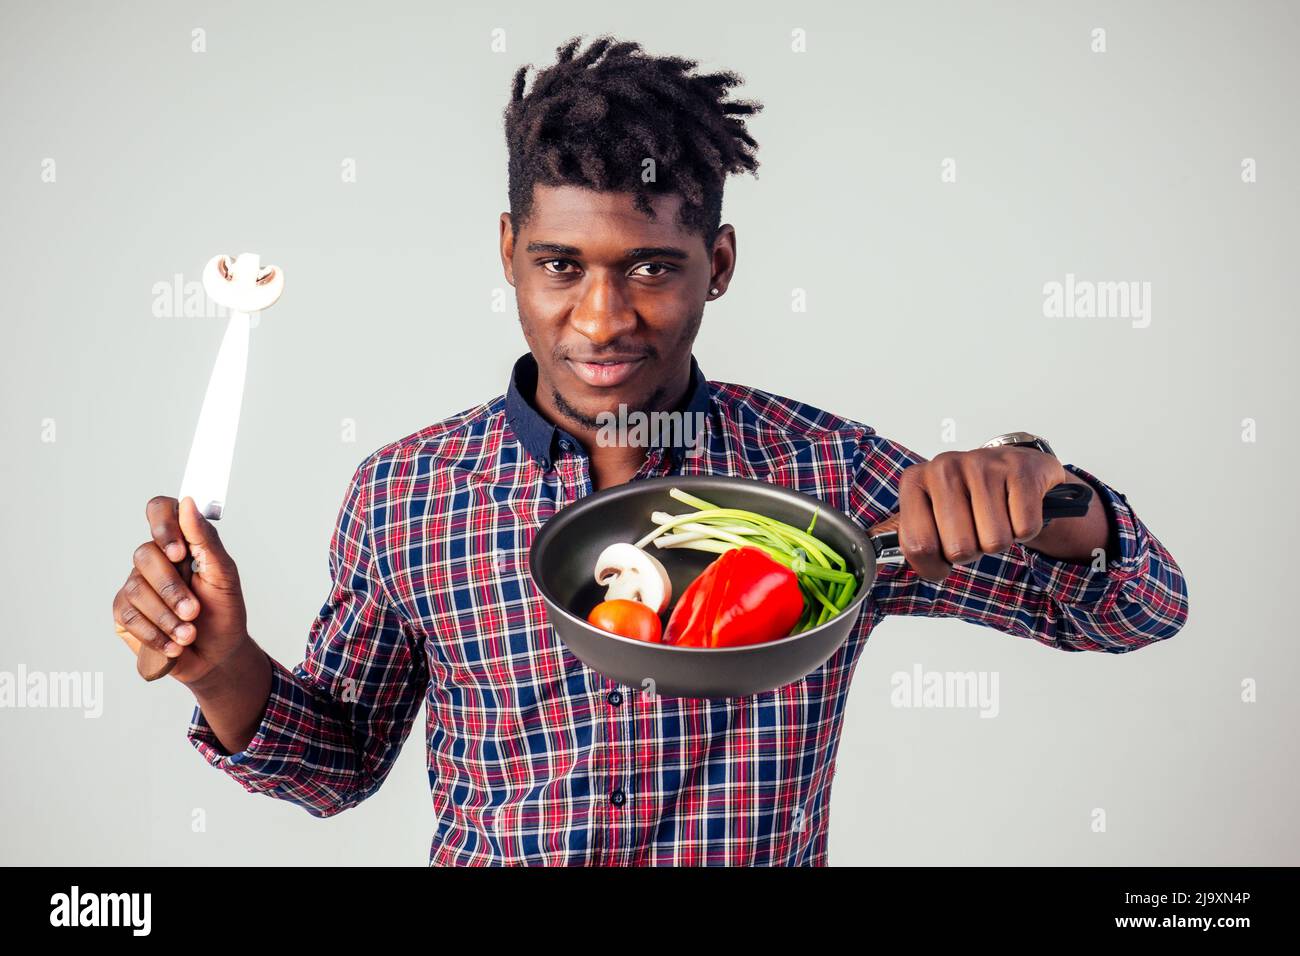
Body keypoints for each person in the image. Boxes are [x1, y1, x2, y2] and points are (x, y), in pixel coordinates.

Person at [111, 34, 1188, 866]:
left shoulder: (827, 476)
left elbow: (1138, 608)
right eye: (560, 264)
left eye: (651, 268)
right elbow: (339, 762)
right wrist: (222, 669)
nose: (599, 319)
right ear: (507, 252)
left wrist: (1052, 490)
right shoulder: (405, 492)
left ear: (717, 263)